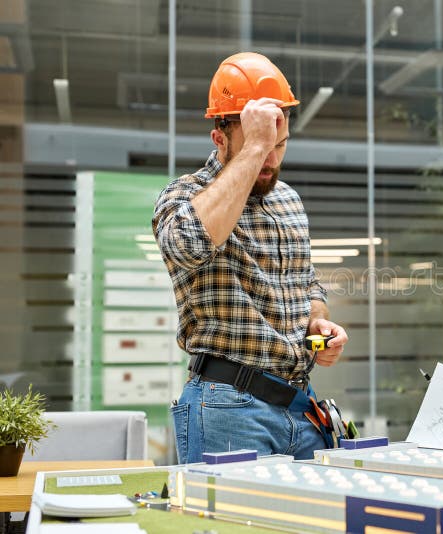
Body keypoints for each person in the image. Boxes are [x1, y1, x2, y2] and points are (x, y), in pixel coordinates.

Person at [153, 52, 348, 463]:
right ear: (220, 139)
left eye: (279, 146)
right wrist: (254, 148)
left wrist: (319, 322)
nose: (271, 160)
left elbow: (306, 281)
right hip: (228, 408)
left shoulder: (289, 200)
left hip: (301, 406)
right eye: (259, 147)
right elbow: (187, 245)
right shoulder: (184, 195)